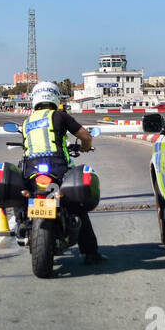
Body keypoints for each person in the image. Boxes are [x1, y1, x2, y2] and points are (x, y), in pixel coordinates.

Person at [19, 81, 104, 265]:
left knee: (24, 197)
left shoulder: (27, 122)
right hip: (57, 168)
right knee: (76, 206)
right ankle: (90, 253)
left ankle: (22, 225)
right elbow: (86, 136)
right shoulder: (60, 116)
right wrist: (85, 148)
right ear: (55, 97)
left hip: (31, 170)